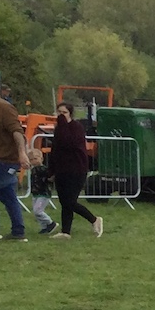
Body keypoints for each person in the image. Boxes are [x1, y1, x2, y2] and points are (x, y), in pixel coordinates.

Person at [47, 101, 101, 237]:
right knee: (64, 202)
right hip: (61, 170)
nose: (61, 115)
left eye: (64, 113)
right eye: (59, 112)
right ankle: (66, 231)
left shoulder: (76, 127)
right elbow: (55, 150)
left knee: (70, 201)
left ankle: (94, 219)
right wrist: (51, 170)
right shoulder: (59, 129)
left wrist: (62, 124)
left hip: (76, 169)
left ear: (70, 113)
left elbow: (68, 143)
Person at [0, 76, 30, 242]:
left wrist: (22, 153)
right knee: (8, 195)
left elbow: (17, 131)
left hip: (3, 160)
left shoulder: (4, 107)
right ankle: (18, 232)